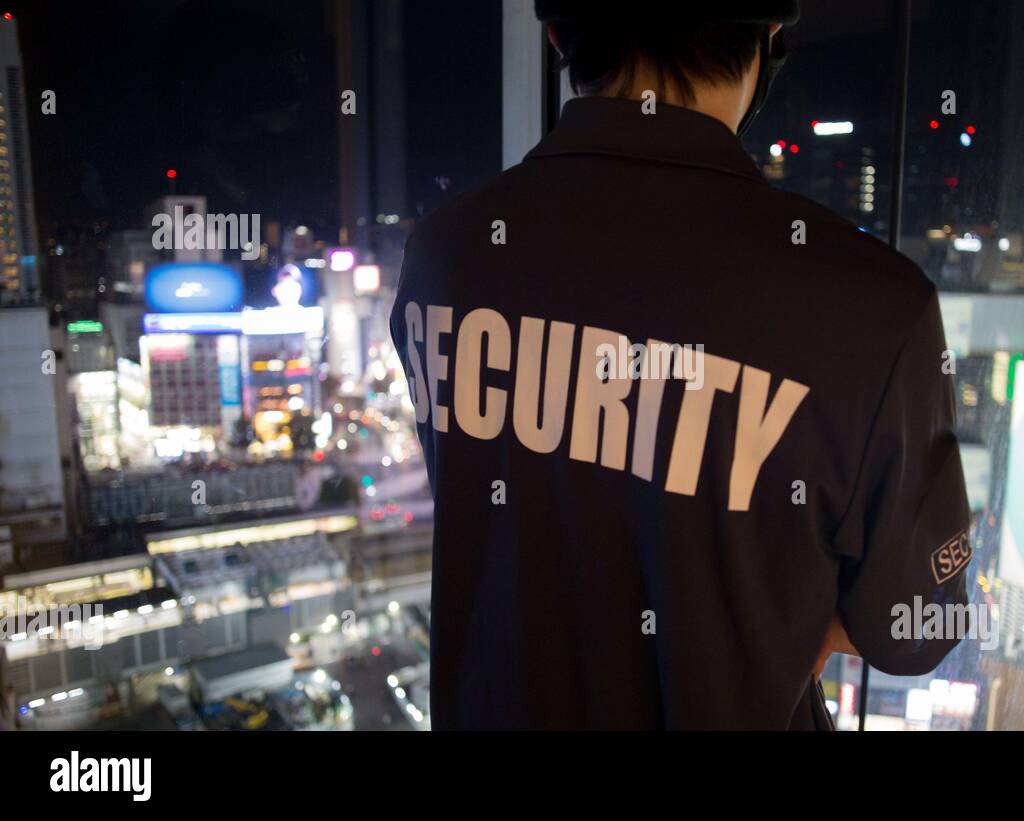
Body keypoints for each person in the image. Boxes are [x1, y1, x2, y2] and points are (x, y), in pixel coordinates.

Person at [390, 1, 972, 729]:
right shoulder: (874, 305)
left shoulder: (446, 253)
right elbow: (913, 630)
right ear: (766, 39)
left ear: (556, 32)